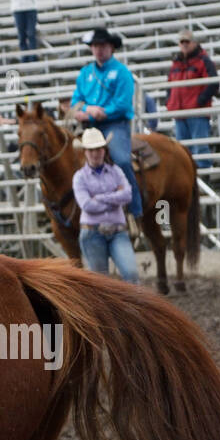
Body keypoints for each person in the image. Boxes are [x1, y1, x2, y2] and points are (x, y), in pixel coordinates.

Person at [67, 27, 142, 221]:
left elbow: (123, 104)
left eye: (103, 46)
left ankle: (135, 209)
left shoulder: (121, 72)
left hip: (115, 124)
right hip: (89, 126)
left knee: (121, 159)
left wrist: (102, 112)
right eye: (95, 46)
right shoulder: (85, 73)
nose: (98, 50)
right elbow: (76, 102)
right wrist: (87, 111)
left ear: (111, 48)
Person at [72, 127, 139, 283]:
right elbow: (87, 205)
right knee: (101, 283)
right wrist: (115, 197)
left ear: (104, 150)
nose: (95, 153)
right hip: (92, 233)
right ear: (85, 152)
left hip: (117, 231)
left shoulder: (116, 171)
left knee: (131, 274)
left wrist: (99, 198)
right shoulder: (79, 177)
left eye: (98, 149)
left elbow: (128, 195)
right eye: (91, 150)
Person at [165, 30, 218, 167]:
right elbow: (169, 85)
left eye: (187, 42)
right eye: (182, 42)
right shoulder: (176, 63)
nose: (184, 45)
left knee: (199, 147)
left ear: (194, 43)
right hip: (180, 113)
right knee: (183, 149)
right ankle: (187, 180)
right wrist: (170, 103)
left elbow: (213, 83)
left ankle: (203, 179)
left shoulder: (203, 61)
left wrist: (199, 102)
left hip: (196, 113)